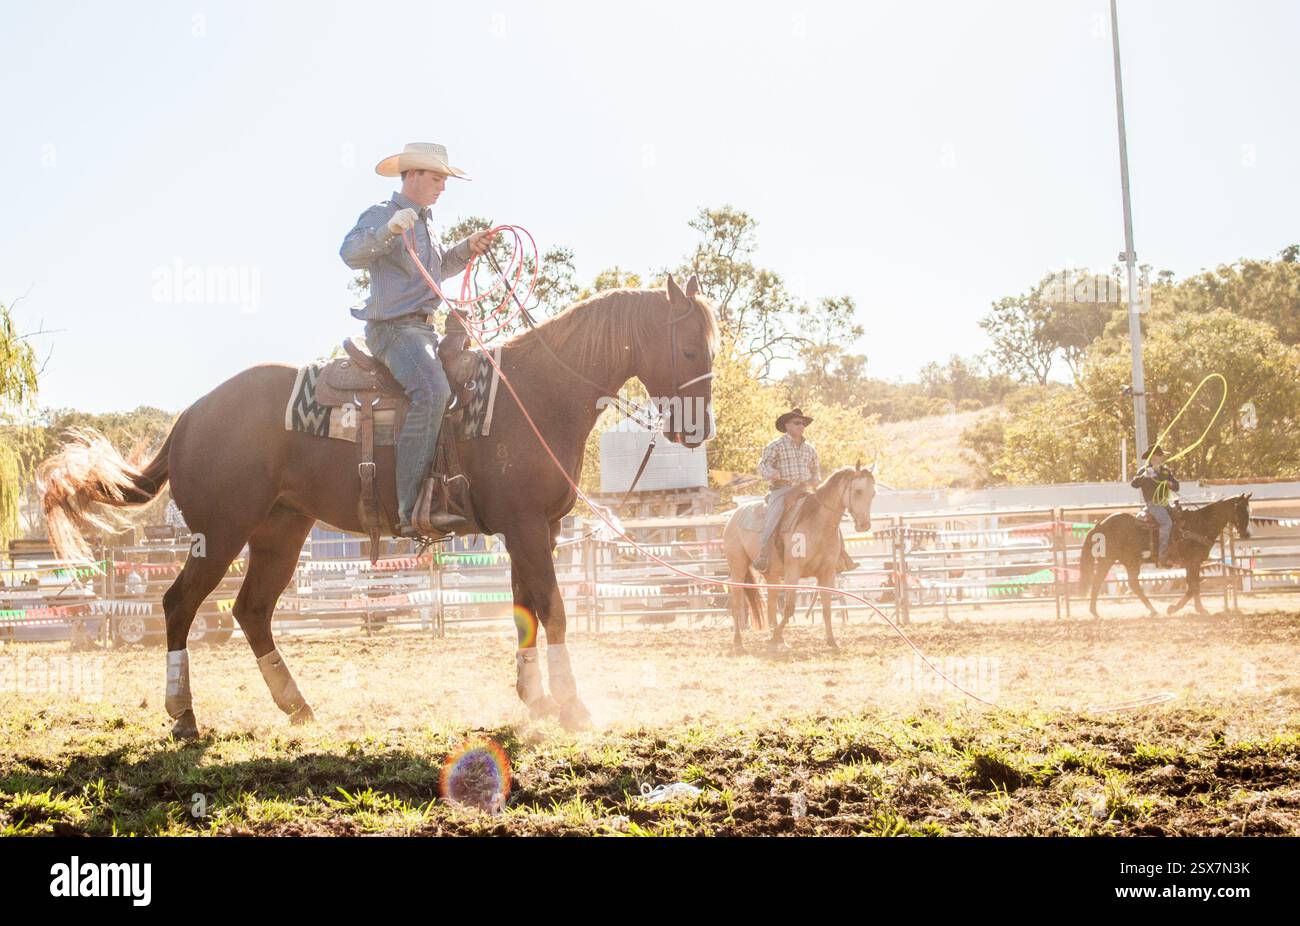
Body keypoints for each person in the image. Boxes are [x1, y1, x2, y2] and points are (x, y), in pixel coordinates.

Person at [340, 142, 495, 537]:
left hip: (423, 330)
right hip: (392, 329)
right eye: (437, 178)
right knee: (432, 391)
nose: (443, 186)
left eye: (445, 179)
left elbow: (436, 269)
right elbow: (351, 252)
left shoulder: (428, 223)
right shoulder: (382, 214)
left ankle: (444, 485)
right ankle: (410, 510)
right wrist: (388, 231)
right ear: (411, 175)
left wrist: (466, 248)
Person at [753, 408, 856, 573]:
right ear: (787, 425)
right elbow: (763, 465)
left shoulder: (810, 449)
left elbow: (816, 473)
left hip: (805, 490)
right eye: (797, 423)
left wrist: (816, 481)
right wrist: (771, 473)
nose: (801, 426)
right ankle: (764, 553)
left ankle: (841, 555)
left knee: (830, 514)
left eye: (803, 423)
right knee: (774, 514)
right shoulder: (776, 445)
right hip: (782, 490)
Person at [1131, 443, 1180, 567]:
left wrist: (1170, 484)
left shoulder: (1165, 471)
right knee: (1167, 523)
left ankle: (1176, 552)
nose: (1161, 457)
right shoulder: (1144, 471)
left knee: (1180, 518)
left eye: (1161, 455)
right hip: (1153, 504)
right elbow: (1134, 484)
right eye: (1159, 455)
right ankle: (1162, 556)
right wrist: (1144, 476)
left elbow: (1176, 486)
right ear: (1153, 457)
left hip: (1165, 503)